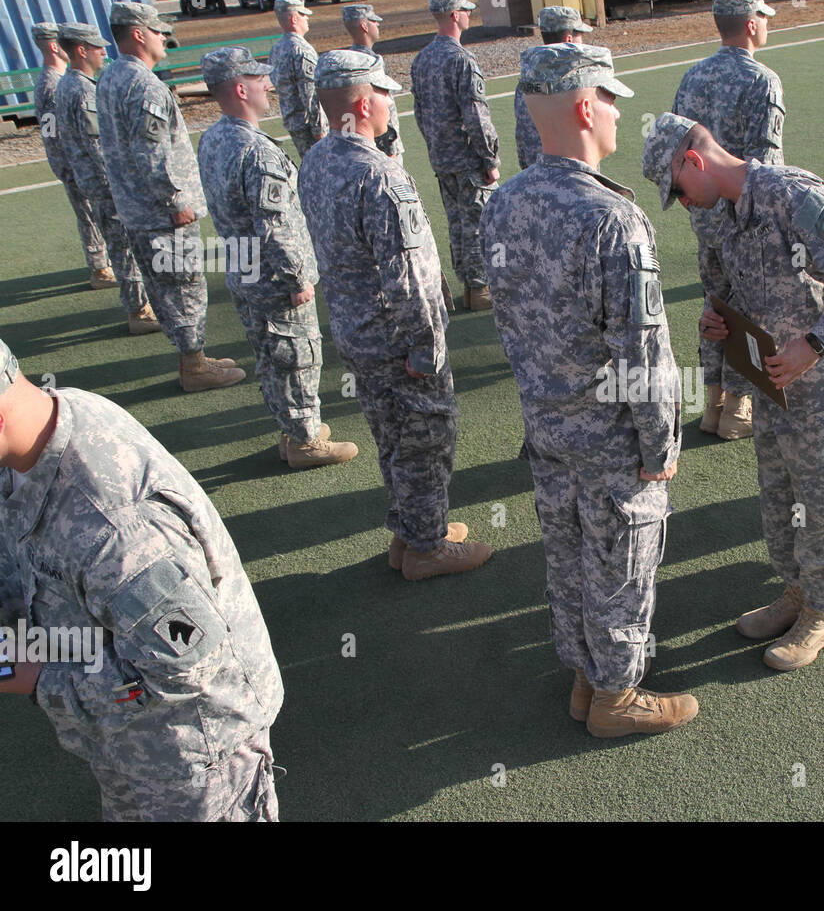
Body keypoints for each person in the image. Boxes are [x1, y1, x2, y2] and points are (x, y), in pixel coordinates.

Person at [482, 44, 697, 737]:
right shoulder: (612, 219)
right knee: (622, 564)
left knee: (570, 555)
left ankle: (584, 676)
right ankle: (615, 696)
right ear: (583, 105)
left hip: (547, 426)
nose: (613, 113)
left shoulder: (503, 204)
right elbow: (642, 350)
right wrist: (660, 440)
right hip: (609, 436)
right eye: (608, 99)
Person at [643, 112, 824, 671]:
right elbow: (735, 287)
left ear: (693, 160)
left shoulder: (789, 194)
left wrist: (816, 343)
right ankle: (797, 592)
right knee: (781, 497)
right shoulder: (727, 214)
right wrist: (718, 317)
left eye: (679, 191)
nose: (684, 204)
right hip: (774, 387)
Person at [0, 336, 283, 821]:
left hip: (193, 750)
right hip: (125, 734)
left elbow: (187, 668)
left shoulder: (116, 522)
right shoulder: (41, 425)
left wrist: (32, 674)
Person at [298, 50, 491, 580]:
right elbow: (411, 279)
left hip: (355, 330)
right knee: (425, 439)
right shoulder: (379, 175)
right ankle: (426, 548)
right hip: (396, 338)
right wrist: (426, 349)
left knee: (391, 434)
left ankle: (410, 533)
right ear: (363, 102)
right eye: (383, 93)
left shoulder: (316, 160)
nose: (389, 102)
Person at [196, 47, 358, 469]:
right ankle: (305, 441)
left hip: (242, 262)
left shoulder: (213, 138)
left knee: (269, 353)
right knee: (296, 352)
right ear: (238, 88)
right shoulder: (258, 150)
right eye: (257, 79)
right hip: (271, 274)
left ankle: (292, 428)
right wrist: (297, 277)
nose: (267, 85)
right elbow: (275, 224)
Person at [97, 2, 244, 392]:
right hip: (160, 210)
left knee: (167, 285)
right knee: (183, 285)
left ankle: (193, 356)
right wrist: (176, 200)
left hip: (137, 207)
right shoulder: (145, 85)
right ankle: (194, 366)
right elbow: (154, 153)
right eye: (158, 31)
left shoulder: (112, 75)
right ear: (138, 34)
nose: (165, 38)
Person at [672, 0, 785, 442]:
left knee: (715, 304)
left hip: (702, 211)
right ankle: (739, 407)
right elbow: (767, 163)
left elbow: (677, 152)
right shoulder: (762, 80)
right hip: (744, 213)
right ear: (752, 24)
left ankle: (711, 401)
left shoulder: (692, 76)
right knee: (749, 308)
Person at [52, 22, 160, 336]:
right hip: (105, 183)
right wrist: (120, 182)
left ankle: (138, 306)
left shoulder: (69, 84)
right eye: (97, 47)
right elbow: (96, 144)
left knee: (120, 244)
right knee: (123, 246)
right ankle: (139, 310)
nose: (104, 52)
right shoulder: (83, 89)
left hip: (92, 180)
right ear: (81, 51)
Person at [411, 0, 499, 312]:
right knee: (478, 221)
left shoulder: (422, 59)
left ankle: (468, 285)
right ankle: (479, 288)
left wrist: (436, 145)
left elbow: (420, 113)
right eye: (465, 10)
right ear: (453, 15)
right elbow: (475, 114)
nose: (468, 15)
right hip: (467, 158)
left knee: (457, 222)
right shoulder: (461, 59)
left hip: (442, 158)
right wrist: (489, 157)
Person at [30, 22, 112, 290]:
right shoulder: (52, 84)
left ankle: (101, 262)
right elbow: (53, 132)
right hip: (73, 163)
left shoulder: (57, 80)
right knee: (88, 214)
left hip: (74, 161)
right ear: (55, 46)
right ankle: (99, 266)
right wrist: (69, 167)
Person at [514, 5, 592, 171]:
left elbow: (522, 136)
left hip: (536, 174)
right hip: (574, 177)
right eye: (580, 36)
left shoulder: (527, 79)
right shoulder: (577, 82)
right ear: (569, 39)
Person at [342, 4, 404, 167]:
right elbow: (382, 105)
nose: (377, 25)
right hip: (380, 144)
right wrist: (390, 146)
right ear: (364, 26)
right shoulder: (371, 62)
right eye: (373, 21)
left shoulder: (348, 60)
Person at [268, 0, 327, 159]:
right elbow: (310, 94)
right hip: (309, 126)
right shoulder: (301, 50)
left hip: (293, 122)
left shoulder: (276, 49)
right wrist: (319, 129)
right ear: (294, 18)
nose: (306, 18)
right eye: (302, 14)